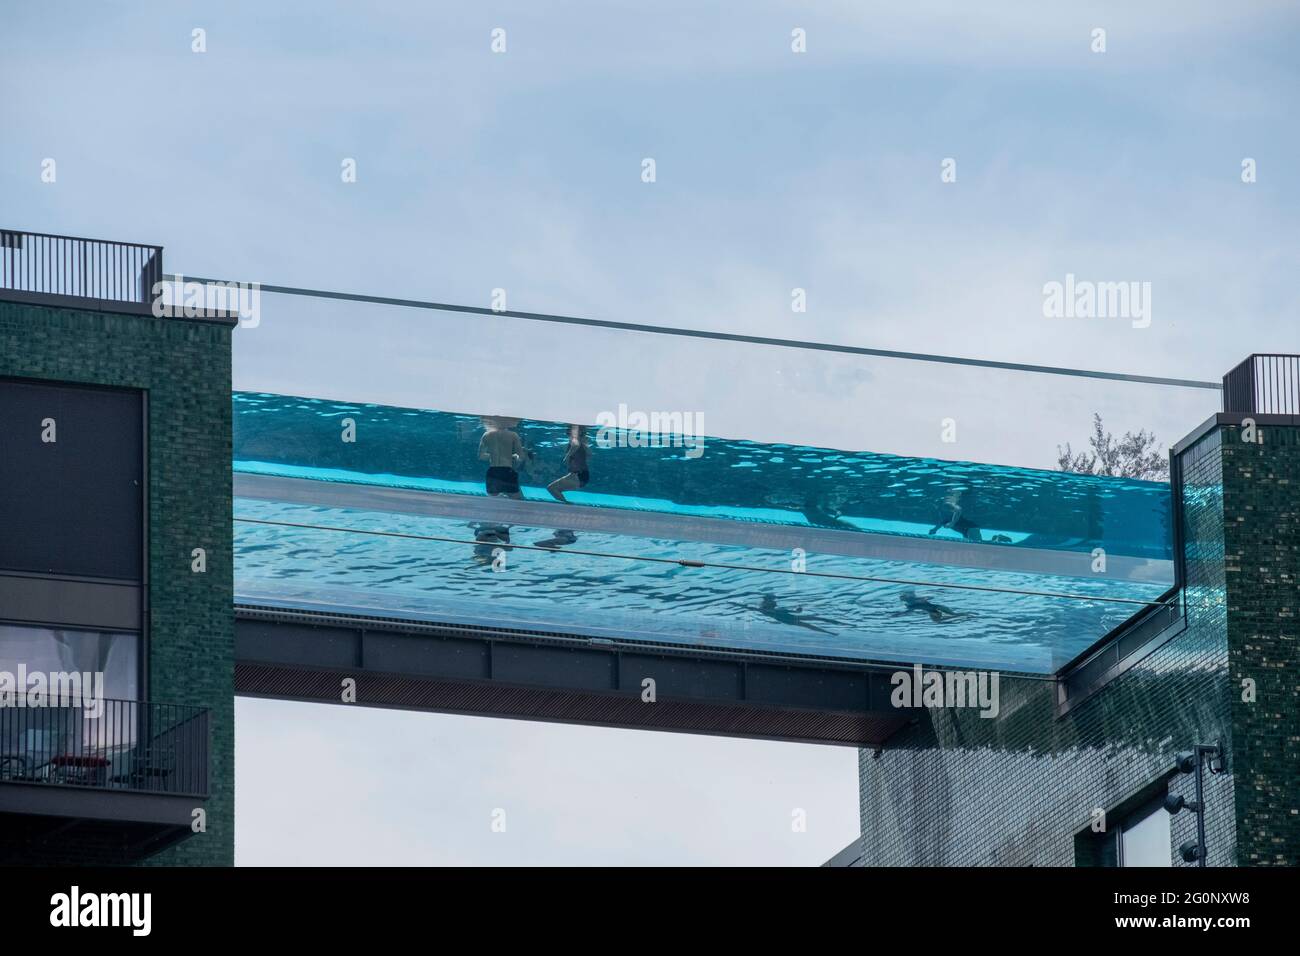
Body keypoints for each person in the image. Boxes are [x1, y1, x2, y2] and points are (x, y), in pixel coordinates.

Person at [478, 417, 528, 499]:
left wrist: (493, 455)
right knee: (518, 500)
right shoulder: (513, 435)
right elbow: (521, 457)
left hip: (493, 472)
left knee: (492, 501)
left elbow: (481, 456)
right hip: (507, 471)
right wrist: (513, 457)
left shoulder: (486, 435)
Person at [755, 592, 835, 635]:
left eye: (773, 600)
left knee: (814, 619)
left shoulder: (774, 609)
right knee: (808, 625)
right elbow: (769, 611)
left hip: (788, 616)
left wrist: (797, 610)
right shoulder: (765, 609)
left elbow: (795, 612)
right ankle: (829, 632)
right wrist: (796, 611)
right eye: (772, 599)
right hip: (787, 619)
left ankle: (832, 627)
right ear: (767, 600)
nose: (775, 601)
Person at [547, 425, 591, 503]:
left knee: (552, 488)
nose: (567, 431)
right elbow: (588, 456)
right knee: (554, 489)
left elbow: (576, 445)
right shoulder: (583, 443)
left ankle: (567, 504)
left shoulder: (574, 440)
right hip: (581, 475)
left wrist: (567, 457)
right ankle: (566, 504)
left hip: (577, 475)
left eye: (569, 429)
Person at [895, 589, 968, 623]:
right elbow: (908, 611)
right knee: (939, 620)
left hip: (936, 608)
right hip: (934, 609)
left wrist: (899, 614)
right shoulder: (912, 603)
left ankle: (965, 615)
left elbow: (908, 611)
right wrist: (899, 614)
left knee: (951, 615)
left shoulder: (913, 602)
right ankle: (965, 615)